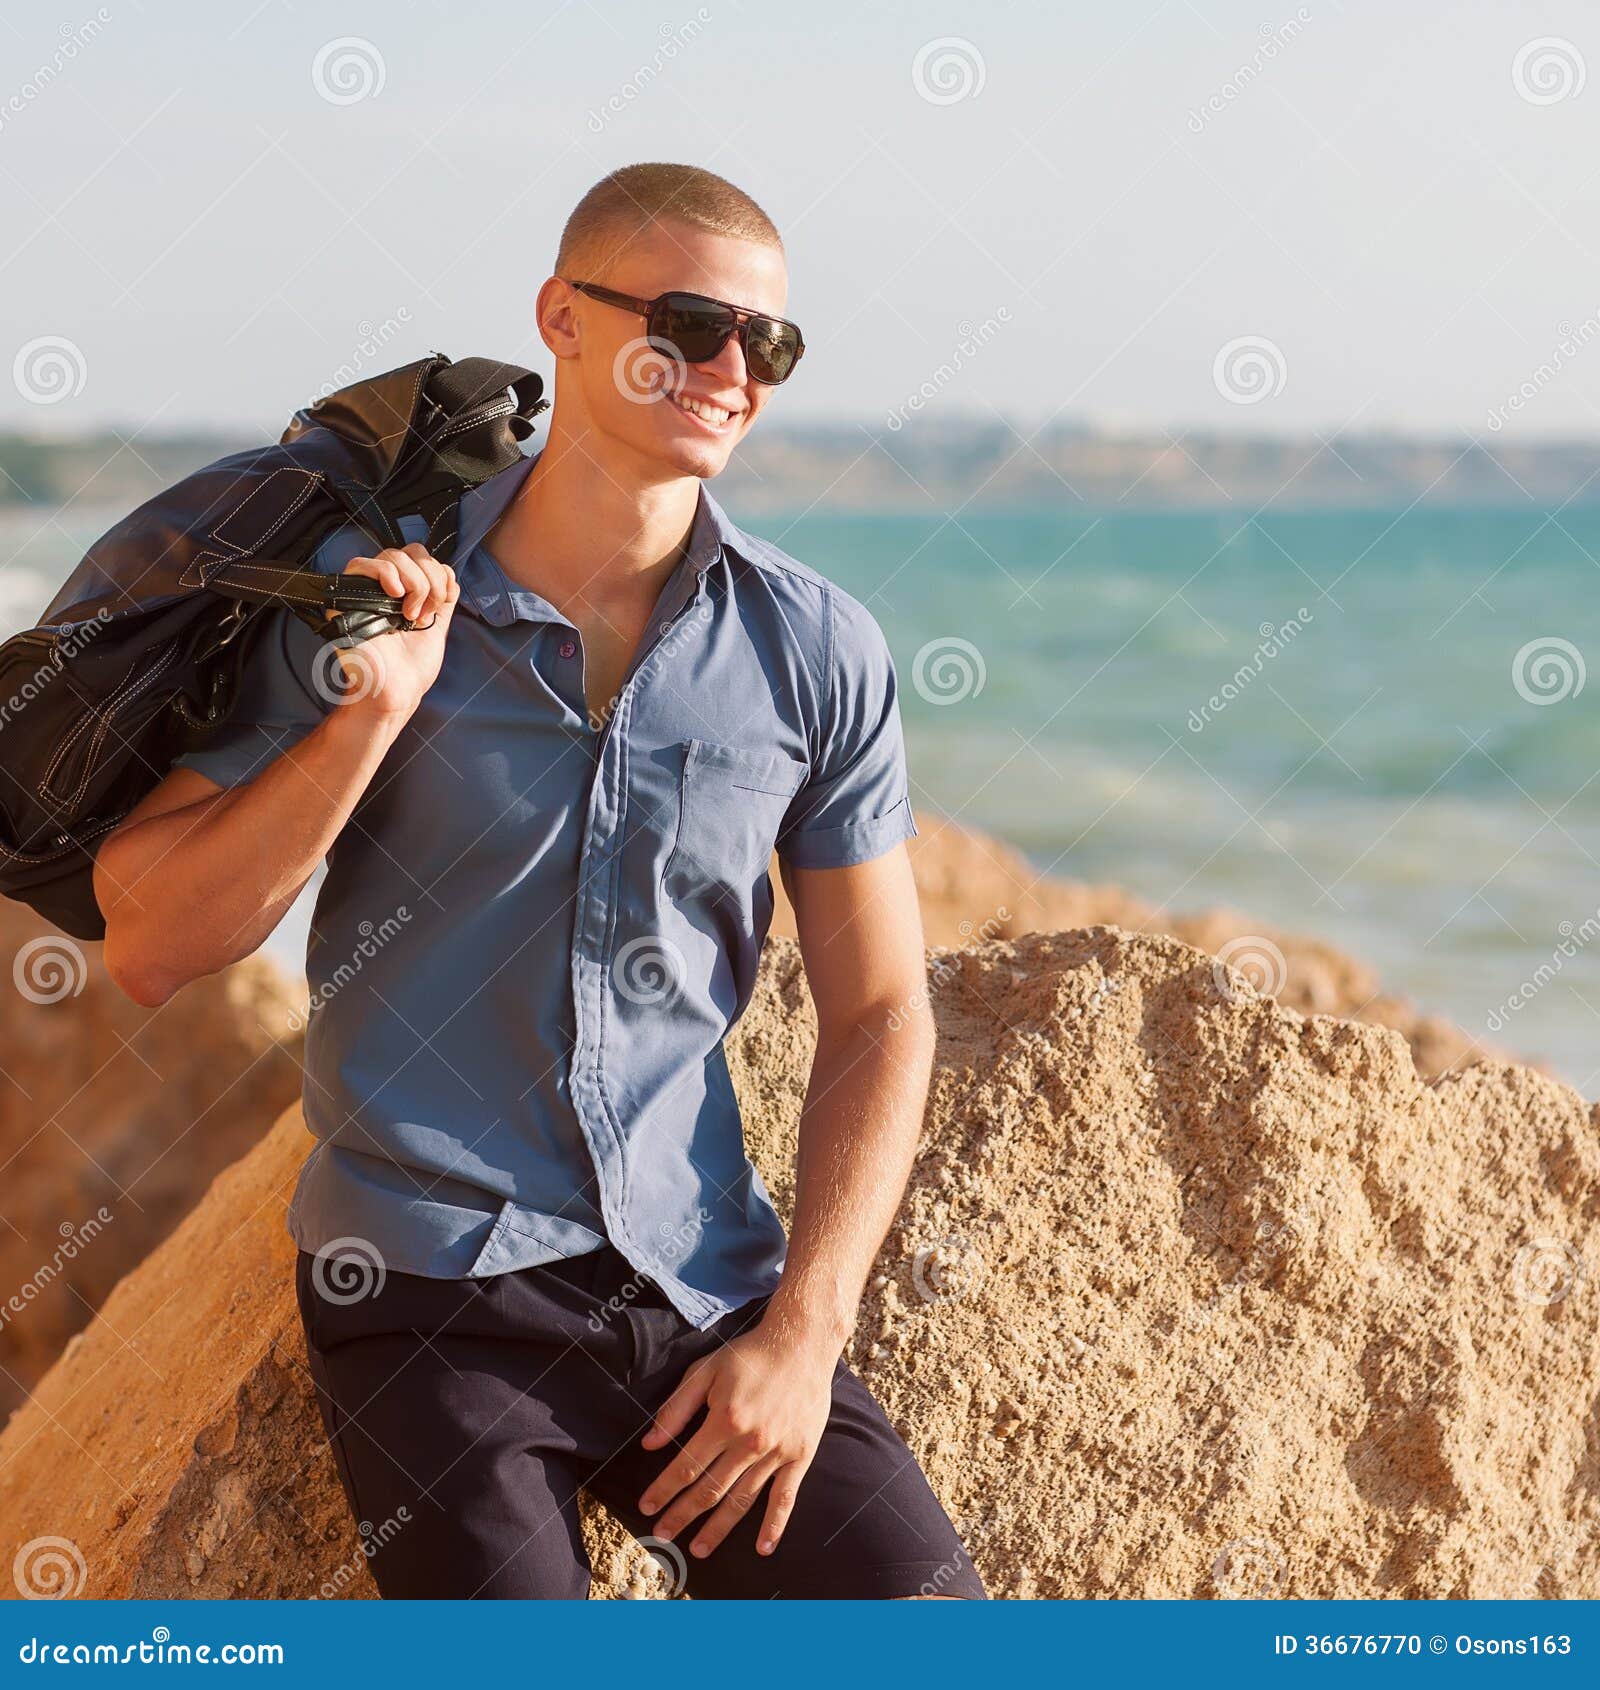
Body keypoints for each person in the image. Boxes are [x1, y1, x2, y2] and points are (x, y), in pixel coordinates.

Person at [94, 162, 985, 1602]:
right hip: (433, 1282)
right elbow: (150, 939)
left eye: (768, 343)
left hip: (701, 1281)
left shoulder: (817, 650)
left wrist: (805, 1332)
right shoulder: (368, 592)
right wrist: (370, 714)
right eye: (691, 324)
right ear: (562, 317)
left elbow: (884, 1008)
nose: (730, 372)